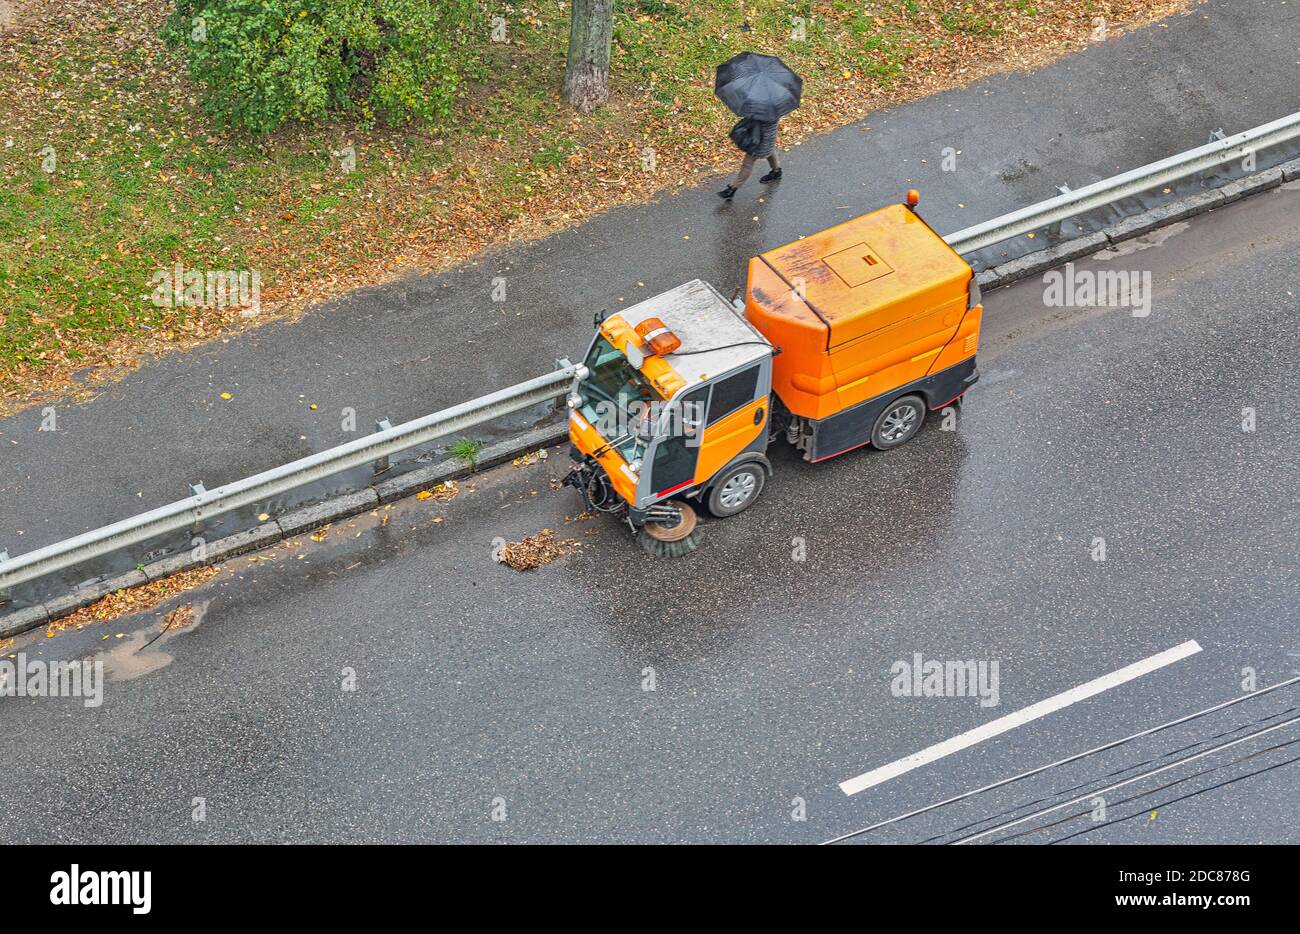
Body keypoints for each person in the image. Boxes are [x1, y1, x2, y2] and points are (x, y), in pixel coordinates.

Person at [719, 118, 782, 200]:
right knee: (770, 151)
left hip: (758, 143)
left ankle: (732, 189)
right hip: (770, 139)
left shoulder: (761, 113)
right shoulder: (774, 111)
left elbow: (756, 128)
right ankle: (777, 171)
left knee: (747, 165)